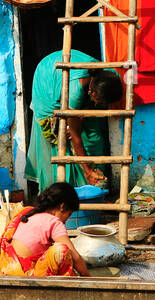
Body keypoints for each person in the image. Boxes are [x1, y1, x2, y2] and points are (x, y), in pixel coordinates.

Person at [27, 49, 123, 193]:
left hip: (66, 78)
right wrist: (87, 170)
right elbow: (76, 137)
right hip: (47, 82)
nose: (98, 106)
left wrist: (82, 114)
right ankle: (64, 191)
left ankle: (93, 186)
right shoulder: (75, 92)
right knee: (63, 138)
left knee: (93, 137)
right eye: (99, 102)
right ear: (92, 93)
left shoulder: (110, 76)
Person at [0, 182, 89, 277]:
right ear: (62, 207)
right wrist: (88, 277)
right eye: (69, 214)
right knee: (61, 250)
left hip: (4, 268)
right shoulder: (54, 222)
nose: (67, 220)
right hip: (23, 273)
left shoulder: (29, 213)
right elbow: (75, 257)